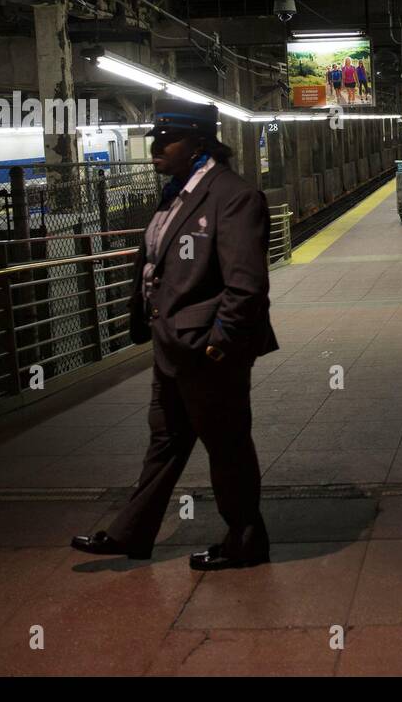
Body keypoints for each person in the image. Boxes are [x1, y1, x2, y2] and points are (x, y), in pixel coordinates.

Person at [71, 97, 278, 571]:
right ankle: (131, 534)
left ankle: (246, 540)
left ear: (200, 143)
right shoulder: (176, 195)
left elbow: (246, 285)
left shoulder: (233, 196)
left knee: (227, 448)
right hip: (171, 348)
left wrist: (218, 343)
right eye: (156, 139)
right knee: (164, 443)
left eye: (169, 139)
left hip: (206, 352)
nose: (156, 148)